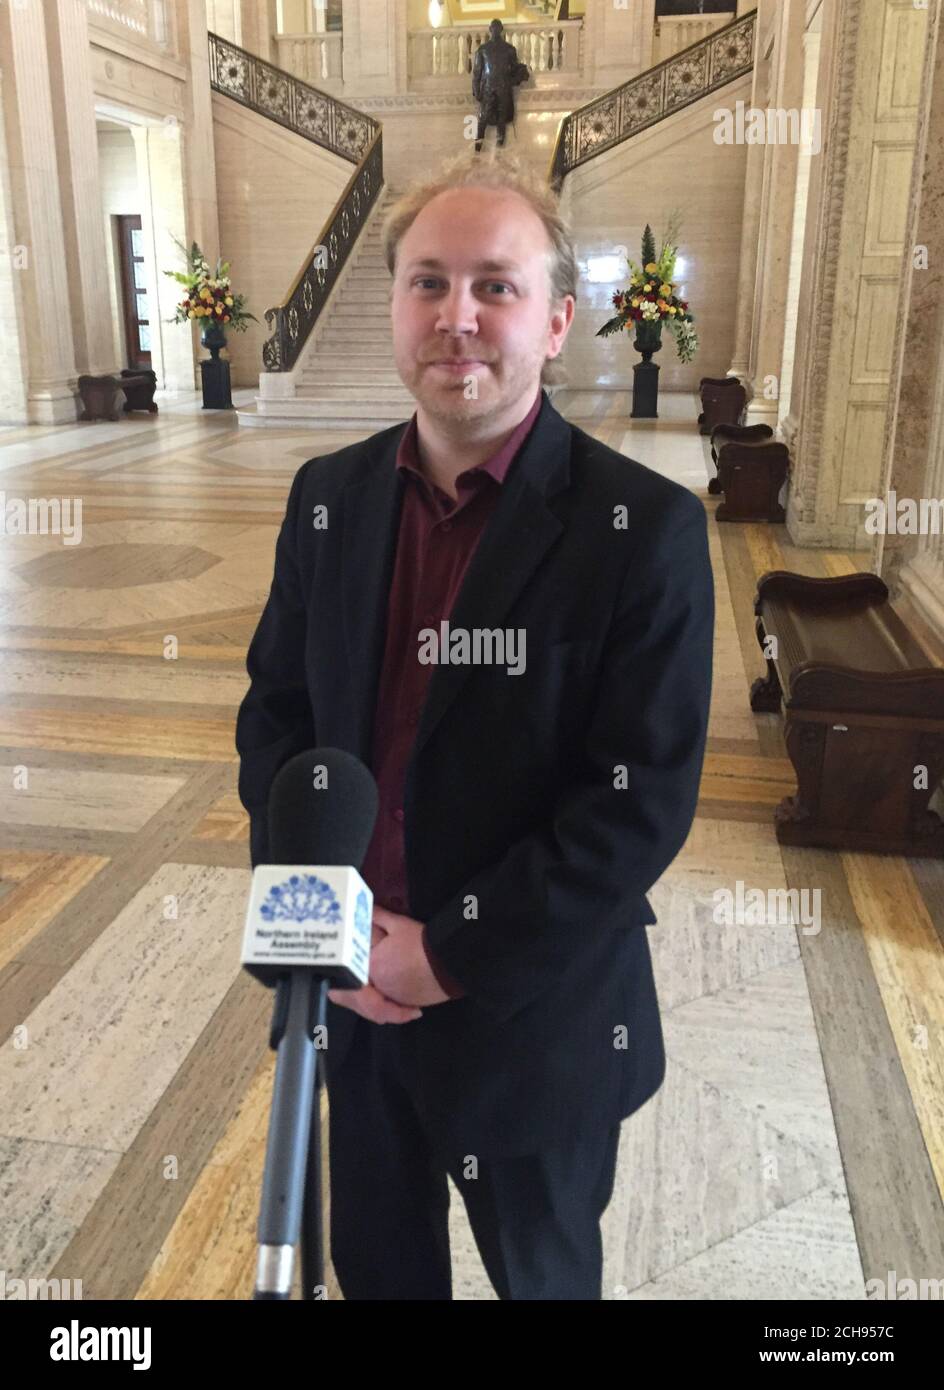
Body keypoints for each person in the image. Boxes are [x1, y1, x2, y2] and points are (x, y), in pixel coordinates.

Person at [235, 148, 714, 1300]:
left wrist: (442, 951)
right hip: (348, 1007)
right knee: (381, 1275)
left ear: (554, 322)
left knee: (541, 1282)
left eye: (495, 285)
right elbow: (276, 714)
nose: (459, 316)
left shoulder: (639, 531)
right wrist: (325, 913)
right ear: (394, 304)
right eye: (428, 282)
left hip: (532, 1022)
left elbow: (633, 803)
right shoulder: (325, 498)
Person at [472, 18, 528, 152]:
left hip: (503, 88)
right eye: (494, 28)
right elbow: (477, 72)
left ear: (501, 29)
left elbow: (514, 68)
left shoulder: (510, 49)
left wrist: (523, 71)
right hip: (488, 88)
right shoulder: (483, 49)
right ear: (490, 30)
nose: (496, 30)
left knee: (501, 120)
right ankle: (477, 148)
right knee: (483, 118)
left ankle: (499, 150)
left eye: (498, 27)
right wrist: (476, 90)